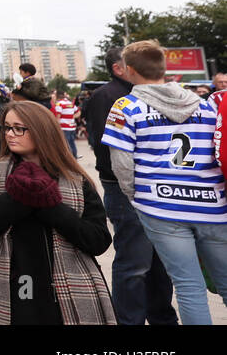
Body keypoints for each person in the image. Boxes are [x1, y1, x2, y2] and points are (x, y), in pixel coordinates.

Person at [102, 40, 227, 325]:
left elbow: (122, 165)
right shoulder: (206, 105)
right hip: (212, 205)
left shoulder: (126, 107)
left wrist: (138, 198)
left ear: (129, 70)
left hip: (161, 206)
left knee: (189, 287)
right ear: (164, 67)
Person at [0, 101, 114, 324]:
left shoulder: (74, 178)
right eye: (6, 127)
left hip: (66, 289)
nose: (10, 134)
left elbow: (99, 240)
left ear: (41, 130)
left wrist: (50, 206)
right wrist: (17, 197)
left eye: (19, 128)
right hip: (11, 286)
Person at [86, 46, 177, 326]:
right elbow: (106, 149)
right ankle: (129, 321)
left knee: (160, 262)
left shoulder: (157, 95)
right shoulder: (108, 97)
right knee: (135, 263)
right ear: (120, 68)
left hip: (159, 188)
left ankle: (162, 316)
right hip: (126, 189)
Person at [52, 89, 78, 157]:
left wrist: (56, 126)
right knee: (72, 142)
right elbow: (78, 112)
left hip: (64, 127)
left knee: (66, 144)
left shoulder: (59, 104)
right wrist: (72, 117)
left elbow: (58, 116)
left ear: (57, 96)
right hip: (72, 127)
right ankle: (74, 156)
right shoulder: (70, 103)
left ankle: (69, 158)